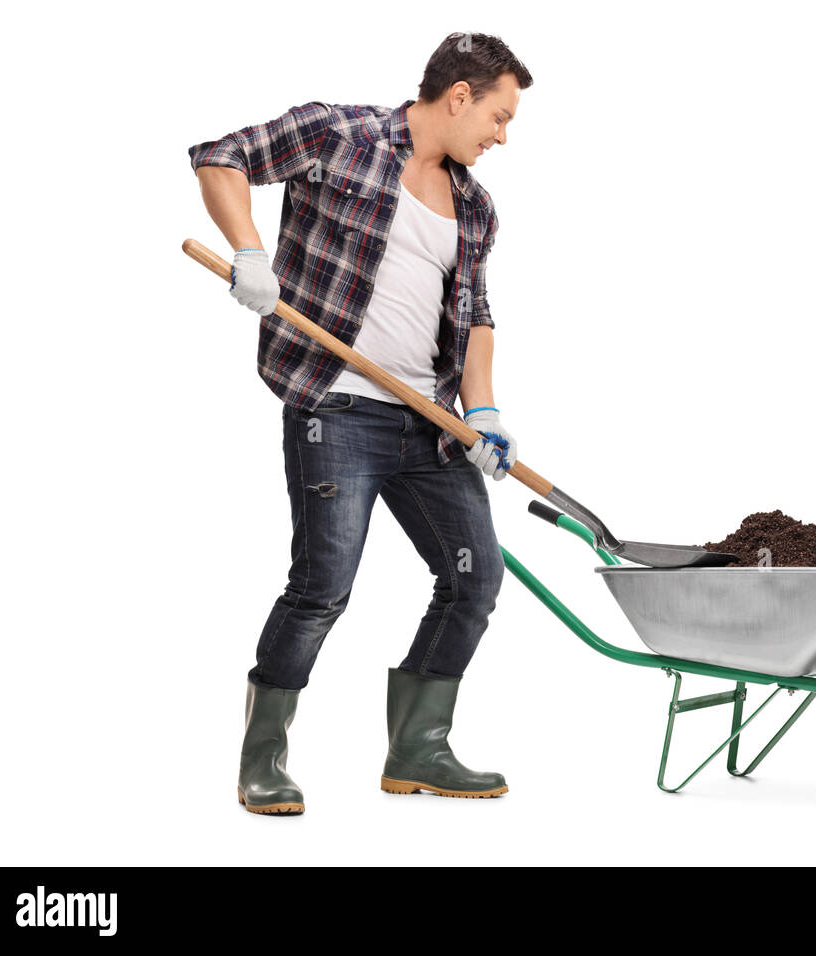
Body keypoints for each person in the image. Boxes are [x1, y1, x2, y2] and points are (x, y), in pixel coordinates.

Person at [187, 32, 533, 814]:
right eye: (500, 116)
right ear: (459, 96)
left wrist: (482, 410)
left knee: (475, 578)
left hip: (427, 420)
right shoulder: (338, 133)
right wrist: (249, 251)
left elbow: (475, 313)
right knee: (322, 587)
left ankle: (418, 749)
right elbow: (221, 157)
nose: (502, 135)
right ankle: (263, 757)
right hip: (336, 404)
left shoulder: (475, 206)